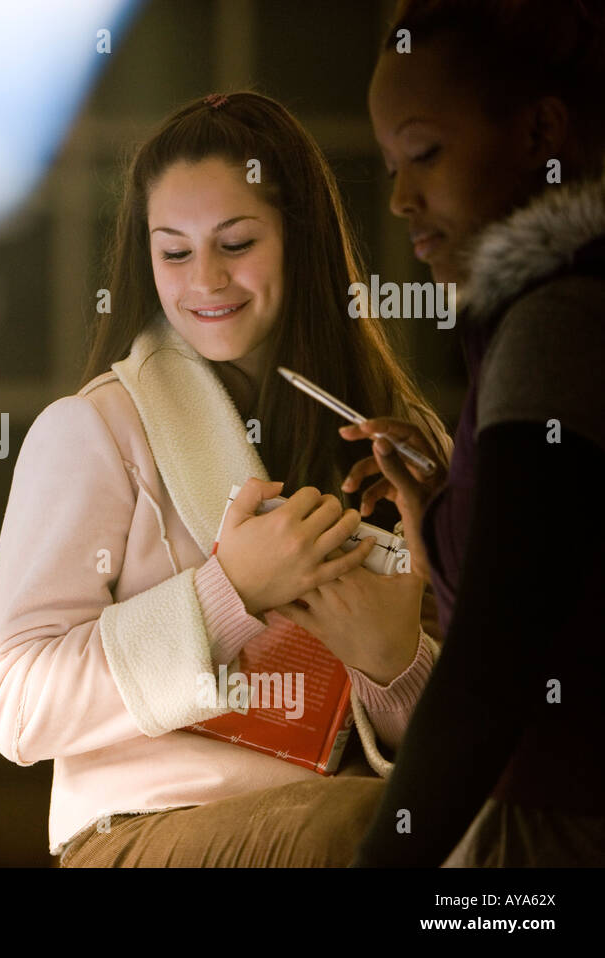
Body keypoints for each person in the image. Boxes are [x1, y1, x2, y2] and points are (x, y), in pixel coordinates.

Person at [0, 91, 452, 867]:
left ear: (300, 241)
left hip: (346, 815)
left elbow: (472, 731)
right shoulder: (98, 430)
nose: (205, 280)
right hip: (139, 831)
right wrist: (228, 595)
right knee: (366, 827)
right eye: (174, 251)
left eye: (236, 243)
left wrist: (394, 664)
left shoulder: (403, 447)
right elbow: (15, 706)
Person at [348, 0, 605, 866]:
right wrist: (447, 526)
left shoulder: (558, 320)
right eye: (390, 164)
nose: (398, 197)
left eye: (424, 153)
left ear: (541, 131)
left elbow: (494, 667)